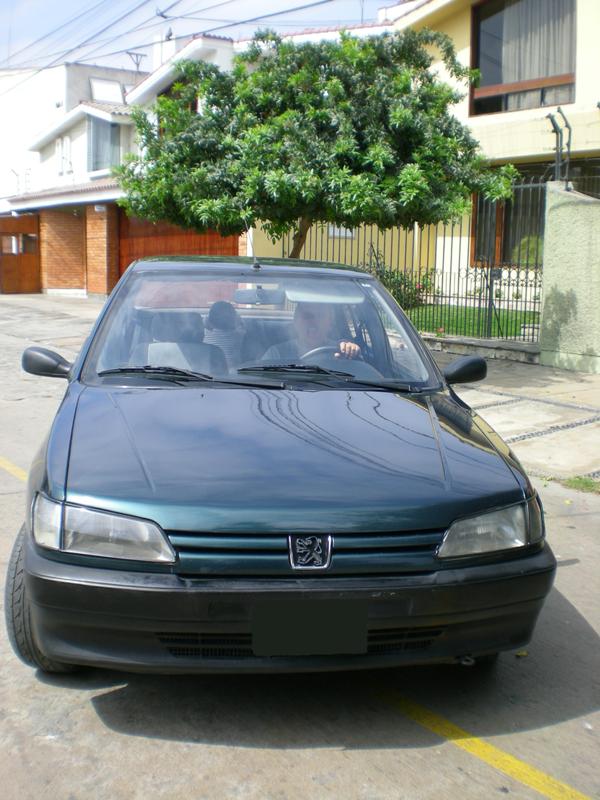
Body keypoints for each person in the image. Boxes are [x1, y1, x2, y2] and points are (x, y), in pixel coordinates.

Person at [262, 302, 361, 362]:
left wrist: (351, 353)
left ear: (330, 323)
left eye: (320, 315)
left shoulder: (342, 351)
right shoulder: (276, 354)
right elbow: (260, 379)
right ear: (295, 322)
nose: (314, 321)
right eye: (307, 316)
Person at [203, 300, 244, 368]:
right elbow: (241, 323)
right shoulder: (237, 335)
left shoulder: (205, 333)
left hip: (208, 370)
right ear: (233, 320)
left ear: (210, 321)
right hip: (232, 372)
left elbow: (205, 321)